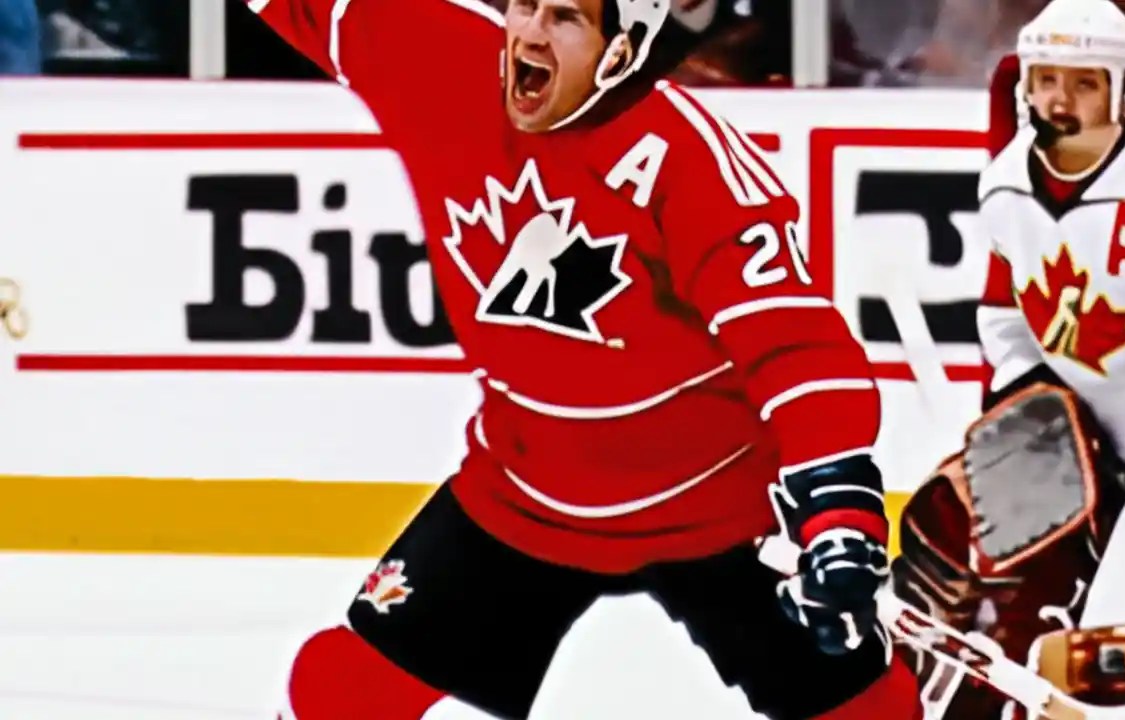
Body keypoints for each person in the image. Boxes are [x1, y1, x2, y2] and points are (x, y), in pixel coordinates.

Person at [245, 1, 922, 718]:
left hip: (718, 505)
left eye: (565, 16)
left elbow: (796, 347)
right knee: (340, 690)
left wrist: (839, 510)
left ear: (624, 51)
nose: (530, 31)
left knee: (867, 713)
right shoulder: (429, 50)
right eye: (524, 5)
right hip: (524, 491)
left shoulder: (687, 158)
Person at [891, 0, 1125, 715]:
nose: (1059, 100)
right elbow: (1004, 312)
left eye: (1084, 82)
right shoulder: (1005, 184)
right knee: (941, 530)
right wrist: (1025, 392)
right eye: (1044, 80)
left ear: (1121, 90)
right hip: (1071, 429)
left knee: (1104, 651)